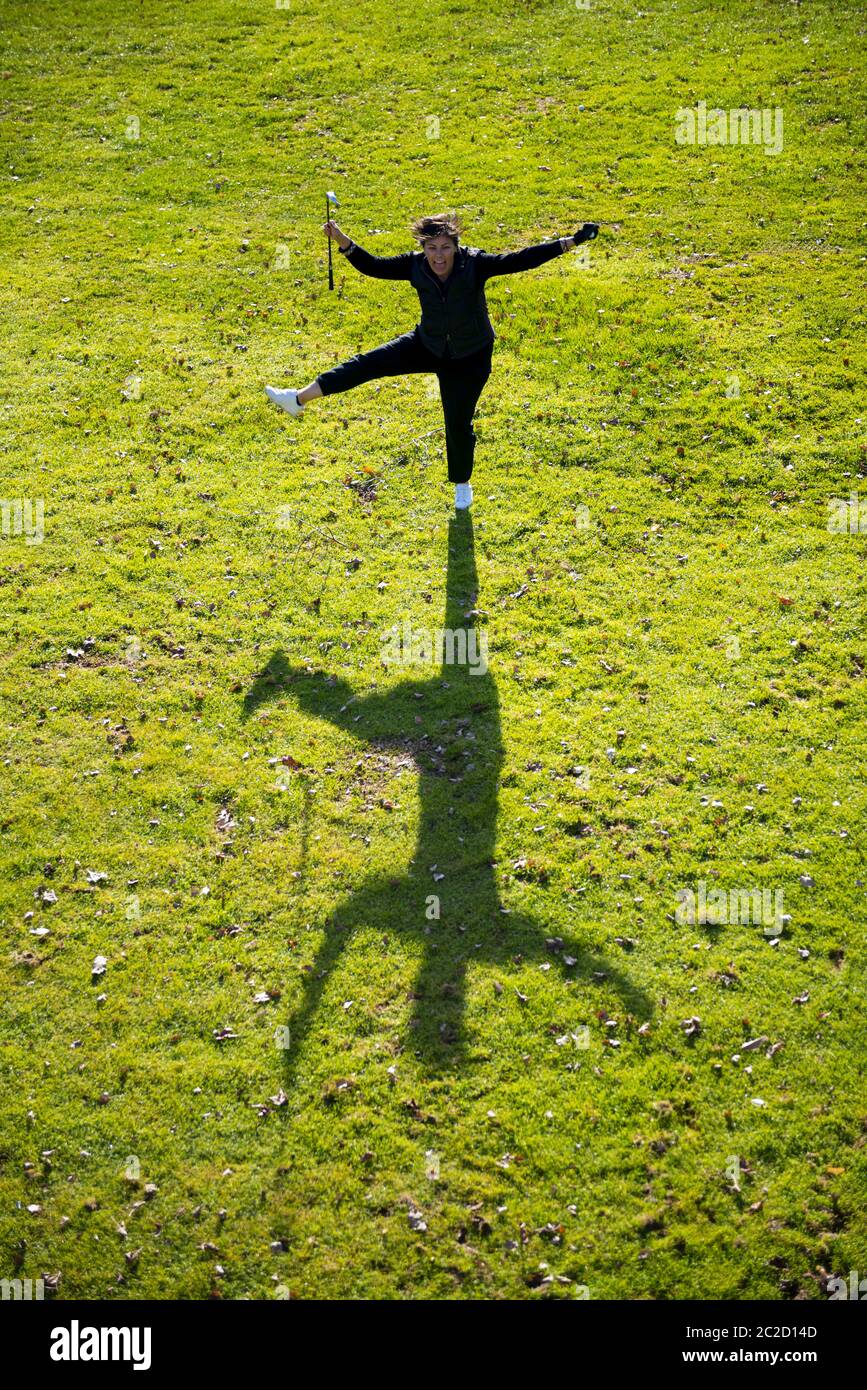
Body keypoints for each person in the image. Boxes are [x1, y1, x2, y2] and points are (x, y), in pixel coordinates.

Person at [265, 212, 599, 510]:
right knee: (366, 364)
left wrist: (571, 241)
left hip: (470, 356)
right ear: (423, 248)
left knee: (457, 422)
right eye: (432, 248)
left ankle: (462, 484)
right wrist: (341, 239)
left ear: (456, 247)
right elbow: (374, 266)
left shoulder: (475, 263)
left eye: (445, 248)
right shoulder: (415, 265)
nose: (438, 256)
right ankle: (297, 399)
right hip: (427, 344)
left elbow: (521, 259)